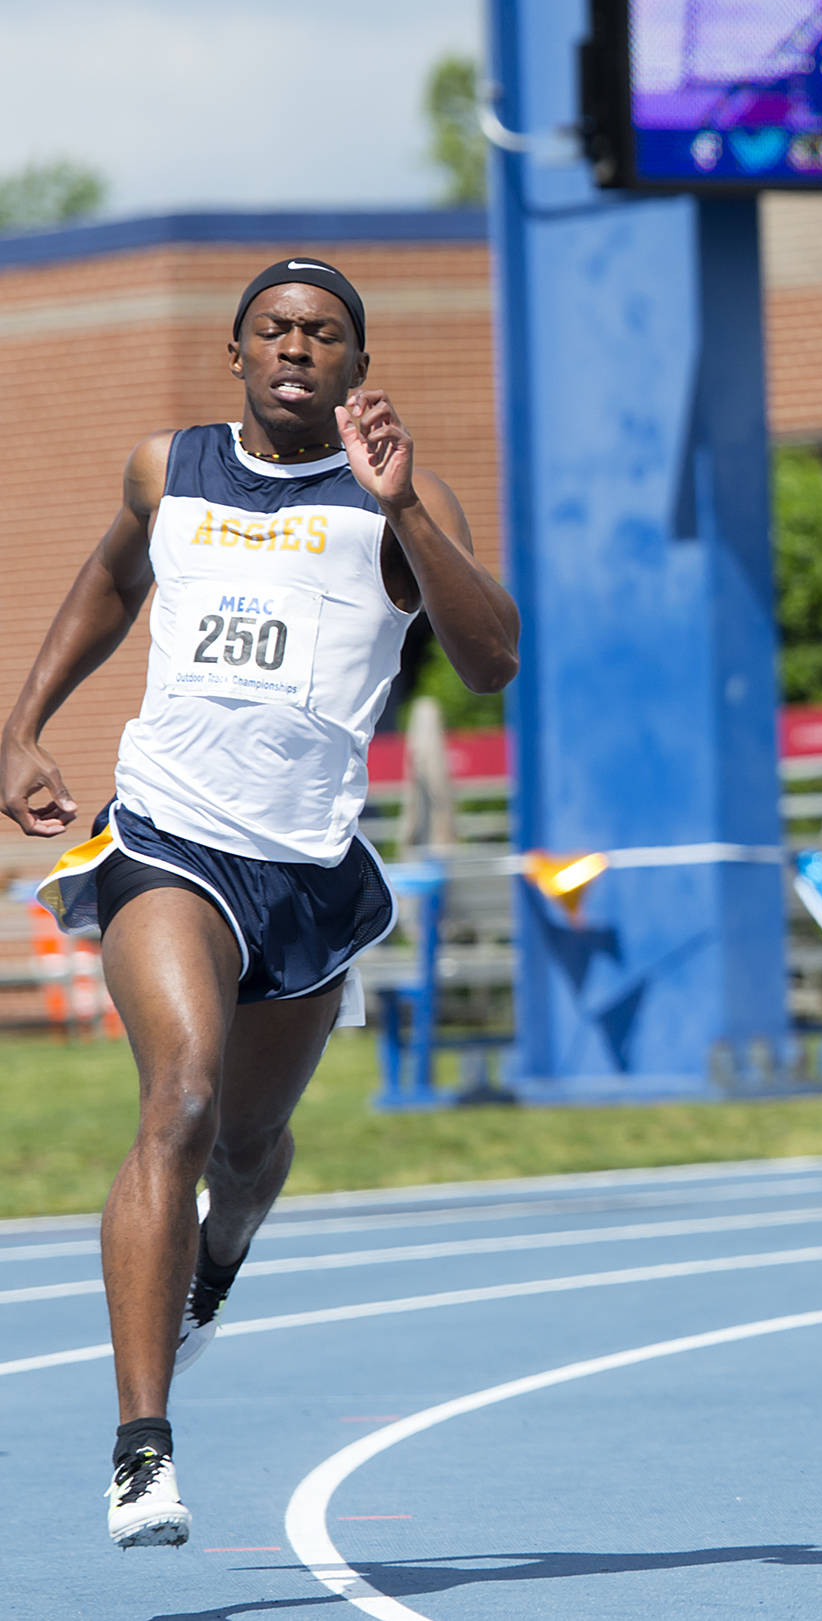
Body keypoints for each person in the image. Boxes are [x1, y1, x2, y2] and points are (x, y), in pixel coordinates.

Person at [0, 259, 519, 1547]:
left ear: (354, 365)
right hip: (168, 837)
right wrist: (21, 727)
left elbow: (494, 657)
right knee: (177, 1093)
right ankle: (142, 1446)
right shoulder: (164, 468)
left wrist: (406, 515)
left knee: (243, 1144)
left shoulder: (400, 493)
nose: (297, 345)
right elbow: (113, 582)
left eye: (325, 333)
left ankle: (221, 1254)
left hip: (308, 870)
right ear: (236, 352)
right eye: (275, 329)